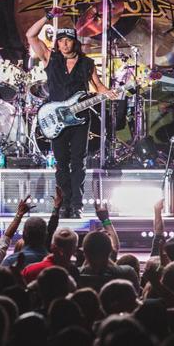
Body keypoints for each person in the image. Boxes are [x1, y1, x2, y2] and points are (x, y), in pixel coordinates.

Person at [25, 15, 111, 217]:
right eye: (61, 40)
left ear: (75, 42)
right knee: (61, 163)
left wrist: (111, 92)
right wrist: (46, 17)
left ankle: (77, 205)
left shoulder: (86, 63)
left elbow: (98, 87)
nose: (64, 44)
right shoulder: (50, 58)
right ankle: (63, 205)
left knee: (78, 162)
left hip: (80, 118)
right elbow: (31, 35)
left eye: (68, 40)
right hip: (56, 119)